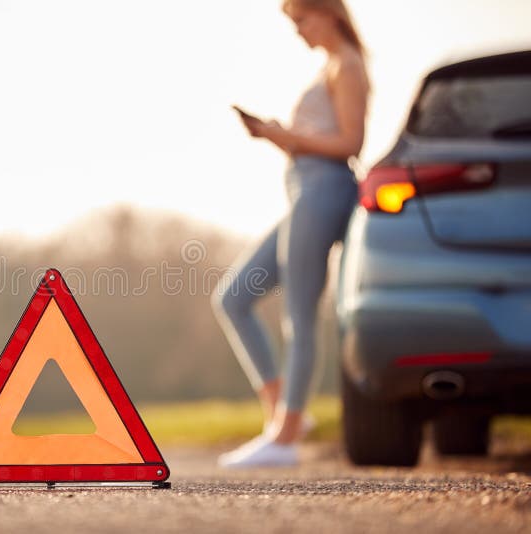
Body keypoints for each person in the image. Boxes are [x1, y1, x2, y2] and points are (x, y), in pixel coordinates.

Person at [212, 0, 370, 467]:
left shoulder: (348, 65)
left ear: (329, 14)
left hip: (324, 191)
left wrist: (286, 137)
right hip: (304, 192)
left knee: (298, 314)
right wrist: (278, 136)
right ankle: (283, 415)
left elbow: (350, 143)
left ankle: (283, 439)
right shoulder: (329, 67)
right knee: (233, 297)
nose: (298, 31)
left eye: (301, 20)